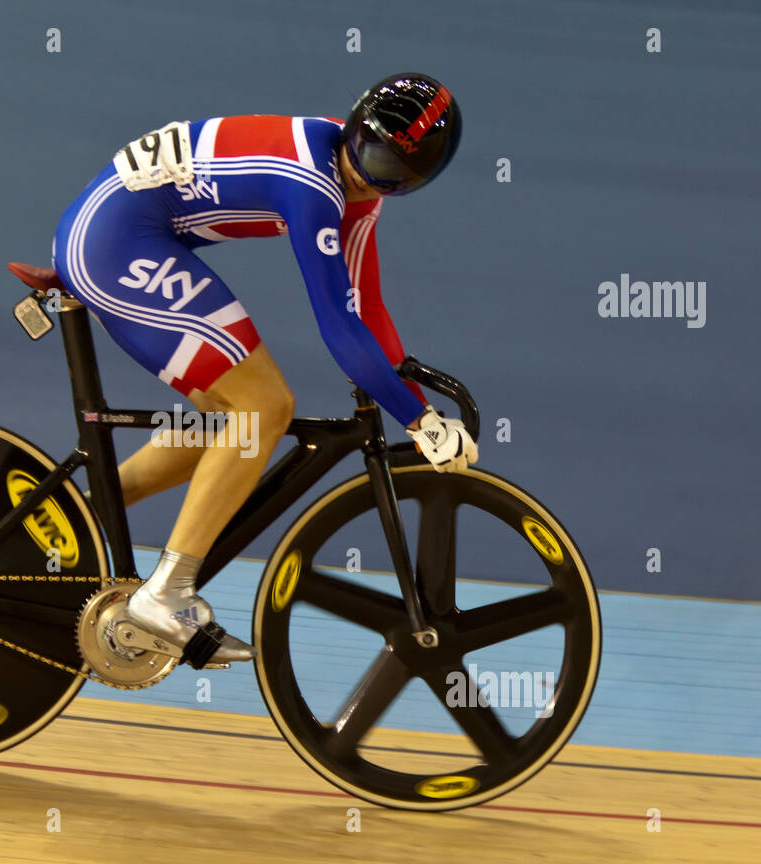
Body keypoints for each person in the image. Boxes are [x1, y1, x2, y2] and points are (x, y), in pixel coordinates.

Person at [51, 73, 477, 667]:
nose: (370, 173)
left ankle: (74, 515)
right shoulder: (314, 184)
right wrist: (419, 420)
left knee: (236, 425)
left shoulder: (354, 193)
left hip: (124, 232)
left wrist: (411, 397)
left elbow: (369, 310)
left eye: (393, 171)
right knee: (263, 408)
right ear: (352, 127)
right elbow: (336, 324)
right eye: (369, 150)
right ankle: (165, 596)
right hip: (113, 241)